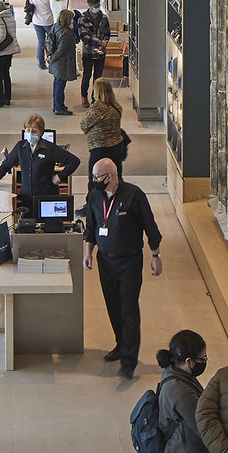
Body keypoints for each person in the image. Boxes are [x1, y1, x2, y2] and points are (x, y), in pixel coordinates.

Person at [82, 154, 161, 377]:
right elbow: (92, 226)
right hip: (105, 261)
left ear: (112, 176)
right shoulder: (95, 197)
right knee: (113, 307)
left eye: (98, 177)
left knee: (128, 310)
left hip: (129, 261)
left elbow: (150, 226)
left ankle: (129, 362)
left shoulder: (134, 195)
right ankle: (121, 344)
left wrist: (156, 254)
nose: (94, 180)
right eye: (93, 177)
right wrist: (88, 252)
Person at [0, 114, 80, 201]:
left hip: (46, 196)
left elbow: (74, 161)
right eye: (28, 130)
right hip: (27, 196)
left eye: (34, 130)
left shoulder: (50, 148)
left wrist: (60, 176)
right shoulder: (20, 147)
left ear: (41, 132)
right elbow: (6, 165)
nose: (30, 133)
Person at [81, 81, 128, 172]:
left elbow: (84, 126)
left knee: (96, 178)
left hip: (100, 149)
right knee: (116, 176)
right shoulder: (117, 106)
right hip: (117, 146)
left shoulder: (96, 109)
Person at [76, 0, 111, 101]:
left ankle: (95, 98)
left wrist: (103, 44)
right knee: (86, 76)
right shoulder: (83, 19)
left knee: (98, 77)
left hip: (100, 53)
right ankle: (84, 96)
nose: (96, 8)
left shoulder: (104, 18)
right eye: (94, 6)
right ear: (89, 6)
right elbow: (84, 37)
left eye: (98, 6)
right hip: (88, 53)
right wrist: (100, 42)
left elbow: (107, 33)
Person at [47, 6, 79, 116]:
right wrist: (52, 58)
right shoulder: (65, 33)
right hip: (62, 63)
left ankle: (58, 105)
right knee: (60, 85)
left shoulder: (55, 27)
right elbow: (61, 49)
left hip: (57, 63)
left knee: (57, 84)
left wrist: (50, 57)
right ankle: (59, 107)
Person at [29, 0, 55, 69]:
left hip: (36, 21)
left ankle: (41, 63)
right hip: (48, 21)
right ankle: (52, 61)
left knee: (41, 42)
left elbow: (31, 3)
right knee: (51, 43)